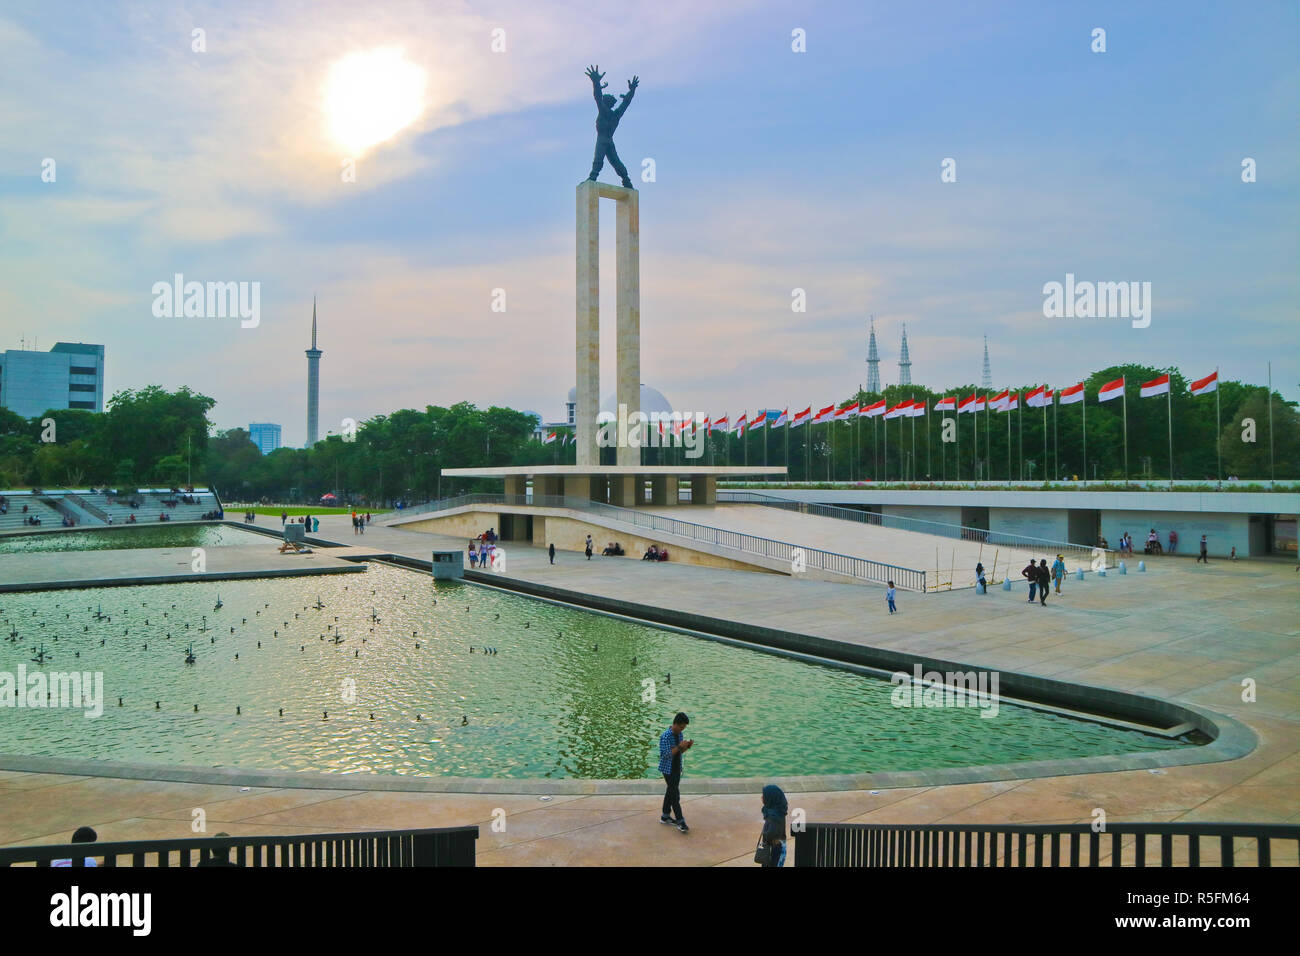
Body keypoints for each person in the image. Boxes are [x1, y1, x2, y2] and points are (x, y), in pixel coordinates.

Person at [658, 712, 692, 833]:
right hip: (668, 769)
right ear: (675, 724)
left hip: (677, 767)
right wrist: (679, 746)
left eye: (684, 728)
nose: (682, 730)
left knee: (670, 791)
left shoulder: (680, 735)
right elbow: (666, 755)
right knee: (675, 795)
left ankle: (665, 816)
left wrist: (686, 747)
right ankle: (680, 821)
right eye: (681, 727)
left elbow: (679, 752)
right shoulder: (666, 736)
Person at [758, 784, 789, 868]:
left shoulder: (774, 816)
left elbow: (772, 833)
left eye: (764, 795)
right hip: (774, 848)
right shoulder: (775, 810)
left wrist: (765, 835)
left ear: (771, 798)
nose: (762, 797)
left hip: (775, 850)